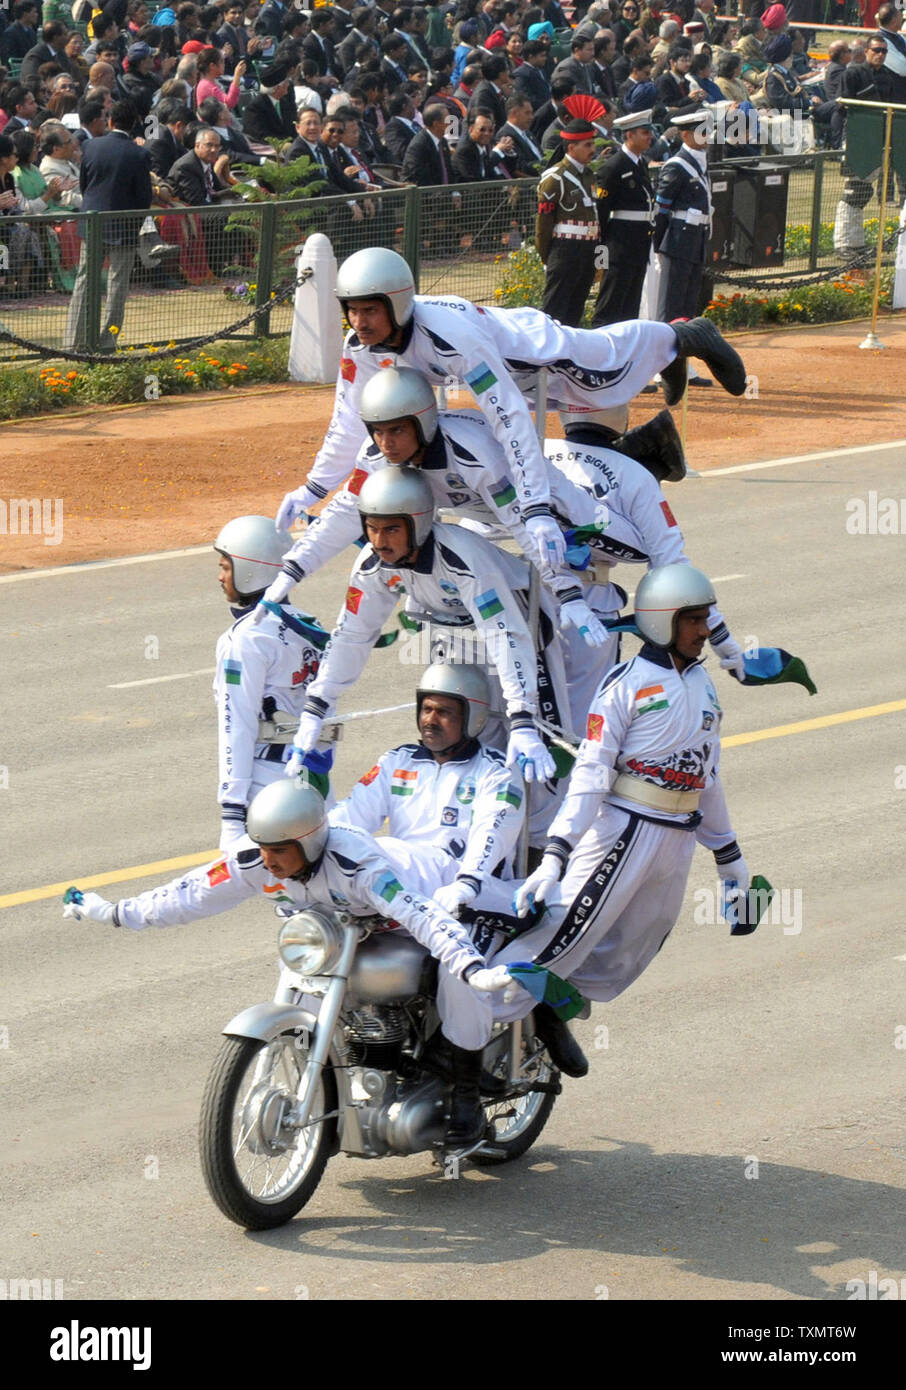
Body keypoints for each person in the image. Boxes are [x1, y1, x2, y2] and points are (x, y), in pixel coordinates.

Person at [62, 779, 516, 1147]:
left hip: (441, 896)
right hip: (347, 923)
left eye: (279, 851)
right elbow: (191, 893)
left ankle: (468, 1097)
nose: (268, 861)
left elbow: (423, 914)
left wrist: (469, 965)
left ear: (311, 840)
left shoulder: (358, 866)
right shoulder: (261, 857)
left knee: (460, 981)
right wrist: (114, 912)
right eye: (262, 848)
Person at [274, 245, 747, 541]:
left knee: (608, 370)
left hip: (537, 353)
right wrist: (312, 488)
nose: (359, 322)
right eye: (352, 311)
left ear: (396, 303)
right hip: (516, 377)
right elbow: (348, 421)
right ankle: (667, 363)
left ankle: (687, 335)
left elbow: (509, 418)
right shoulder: (362, 350)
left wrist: (535, 502)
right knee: (606, 396)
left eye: (369, 311)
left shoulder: (449, 337)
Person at [499, 563, 752, 1015]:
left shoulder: (704, 685)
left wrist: (729, 859)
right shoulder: (624, 685)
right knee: (560, 935)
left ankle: (544, 1023)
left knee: (630, 951)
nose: (704, 629)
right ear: (662, 621)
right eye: (693, 619)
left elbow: (707, 776)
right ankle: (475, 1021)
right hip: (626, 831)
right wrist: (557, 853)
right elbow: (591, 774)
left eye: (705, 618)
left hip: (677, 838)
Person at [290, 466, 567, 783]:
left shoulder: (462, 560)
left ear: (419, 523)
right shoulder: (373, 563)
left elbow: (505, 635)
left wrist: (521, 714)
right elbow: (352, 635)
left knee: (545, 759)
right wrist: (318, 704)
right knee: (468, 750)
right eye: (372, 528)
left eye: (392, 529)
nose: (379, 542)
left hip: (522, 636)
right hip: (451, 637)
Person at [331, 662, 526, 913]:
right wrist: (313, 838)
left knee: (385, 849)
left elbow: (492, 833)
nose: (430, 721)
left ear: (473, 717)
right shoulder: (397, 761)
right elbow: (351, 815)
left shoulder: (498, 771)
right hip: (399, 885)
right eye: (426, 709)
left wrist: (468, 882)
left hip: (465, 893)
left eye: (444, 712)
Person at [212, 515, 331, 850]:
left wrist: (233, 813)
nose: (219, 577)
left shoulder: (246, 639)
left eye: (225, 566)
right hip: (314, 777)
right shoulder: (311, 626)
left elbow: (236, 723)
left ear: (250, 568)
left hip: (266, 783)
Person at [63, 98, 153, 352]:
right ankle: (107, 343)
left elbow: (85, 184)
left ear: (111, 121)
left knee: (84, 281)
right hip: (124, 226)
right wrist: (135, 224)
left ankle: (73, 342)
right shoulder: (140, 152)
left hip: (92, 221)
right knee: (117, 285)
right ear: (135, 123)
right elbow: (144, 197)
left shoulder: (90, 146)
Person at [535, 96, 604, 328]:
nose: (593, 150)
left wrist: (598, 257)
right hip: (564, 251)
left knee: (576, 308)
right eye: (587, 145)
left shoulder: (589, 176)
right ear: (571, 147)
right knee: (555, 310)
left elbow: (596, 219)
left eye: (593, 144)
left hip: (586, 250)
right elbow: (543, 225)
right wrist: (547, 258)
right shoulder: (555, 178)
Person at [652, 108, 713, 346]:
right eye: (701, 132)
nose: (707, 137)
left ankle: (683, 359)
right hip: (676, 242)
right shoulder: (677, 166)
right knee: (670, 307)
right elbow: (661, 210)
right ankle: (663, 361)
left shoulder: (702, 162)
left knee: (688, 307)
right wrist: (659, 246)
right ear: (686, 135)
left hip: (695, 240)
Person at [591, 108, 655, 328]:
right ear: (629, 135)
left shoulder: (640, 163)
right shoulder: (614, 166)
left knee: (630, 304)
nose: (650, 137)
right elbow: (600, 211)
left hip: (639, 241)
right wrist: (601, 251)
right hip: (619, 244)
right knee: (611, 303)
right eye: (645, 132)